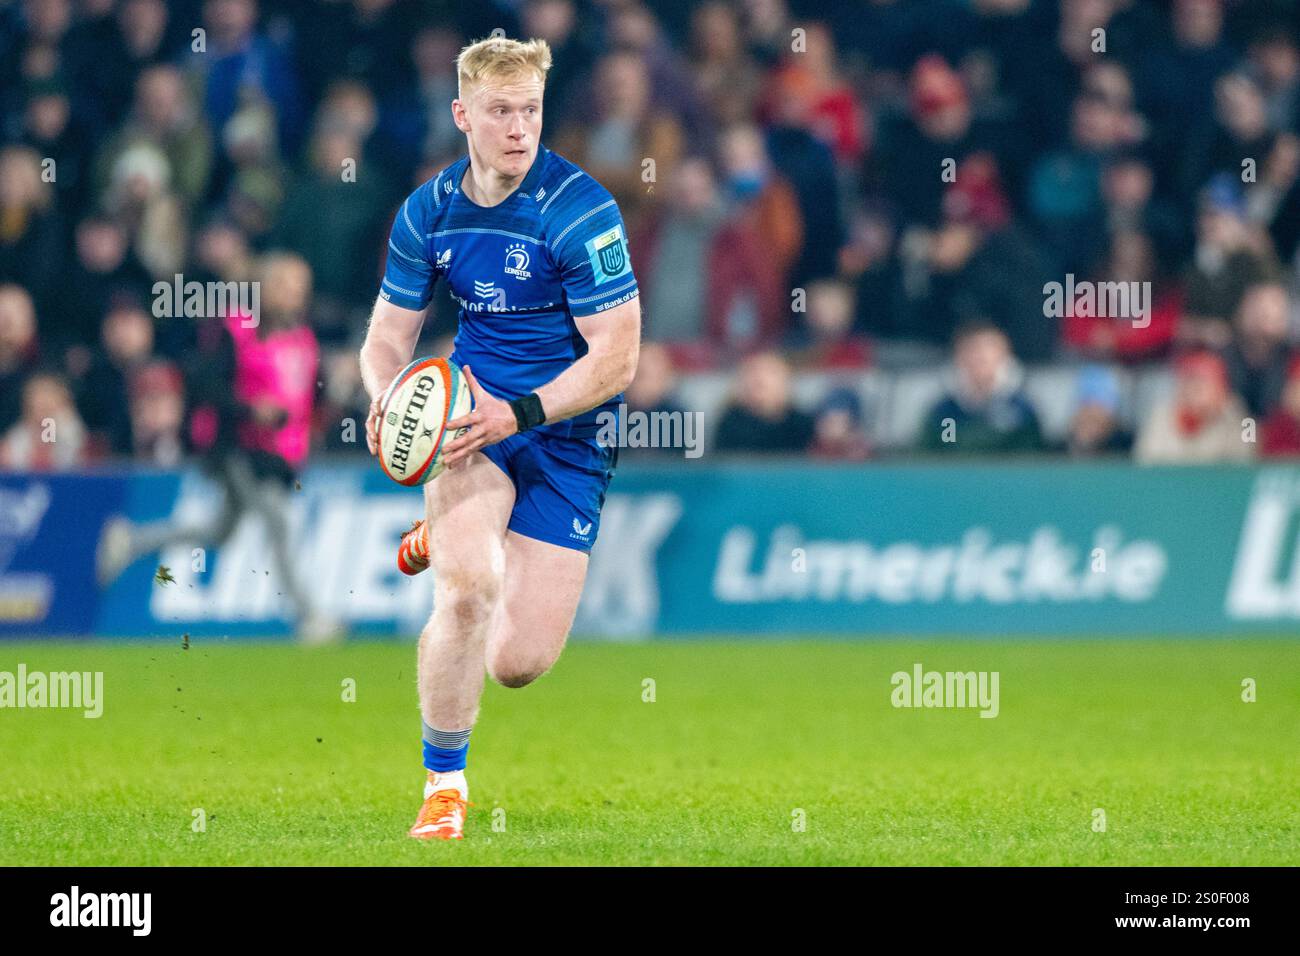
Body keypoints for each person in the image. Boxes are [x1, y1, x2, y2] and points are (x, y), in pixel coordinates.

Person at [357, 37, 641, 840]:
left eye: (531, 111)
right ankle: (444, 788)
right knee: (470, 589)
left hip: (566, 433)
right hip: (469, 417)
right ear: (463, 116)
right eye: (501, 112)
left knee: (518, 663)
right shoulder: (429, 211)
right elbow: (385, 337)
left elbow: (618, 355)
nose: (519, 129)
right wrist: (387, 396)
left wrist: (519, 415)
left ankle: (437, 535)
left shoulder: (580, 208)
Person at [95, 252, 332, 639]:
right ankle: (309, 616)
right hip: (238, 449)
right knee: (278, 521)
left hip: (280, 455)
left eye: (299, 287)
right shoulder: (236, 330)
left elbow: (310, 396)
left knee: (218, 532)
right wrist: (250, 409)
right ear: (265, 287)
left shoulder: (303, 337)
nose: (294, 294)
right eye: (285, 285)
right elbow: (204, 384)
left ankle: (132, 540)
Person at [917, 321, 1044, 455]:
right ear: (958, 355)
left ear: (1005, 354)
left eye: (988, 349)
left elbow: (1031, 458)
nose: (980, 356)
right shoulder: (943, 413)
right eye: (972, 349)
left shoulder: (1023, 411)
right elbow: (930, 458)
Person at [1134, 350, 1253, 464]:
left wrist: (1225, 414)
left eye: (1202, 382)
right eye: (1188, 381)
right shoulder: (1161, 416)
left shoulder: (1237, 416)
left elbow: (1245, 461)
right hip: (1170, 483)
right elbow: (1146, 463)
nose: (1192, 389)